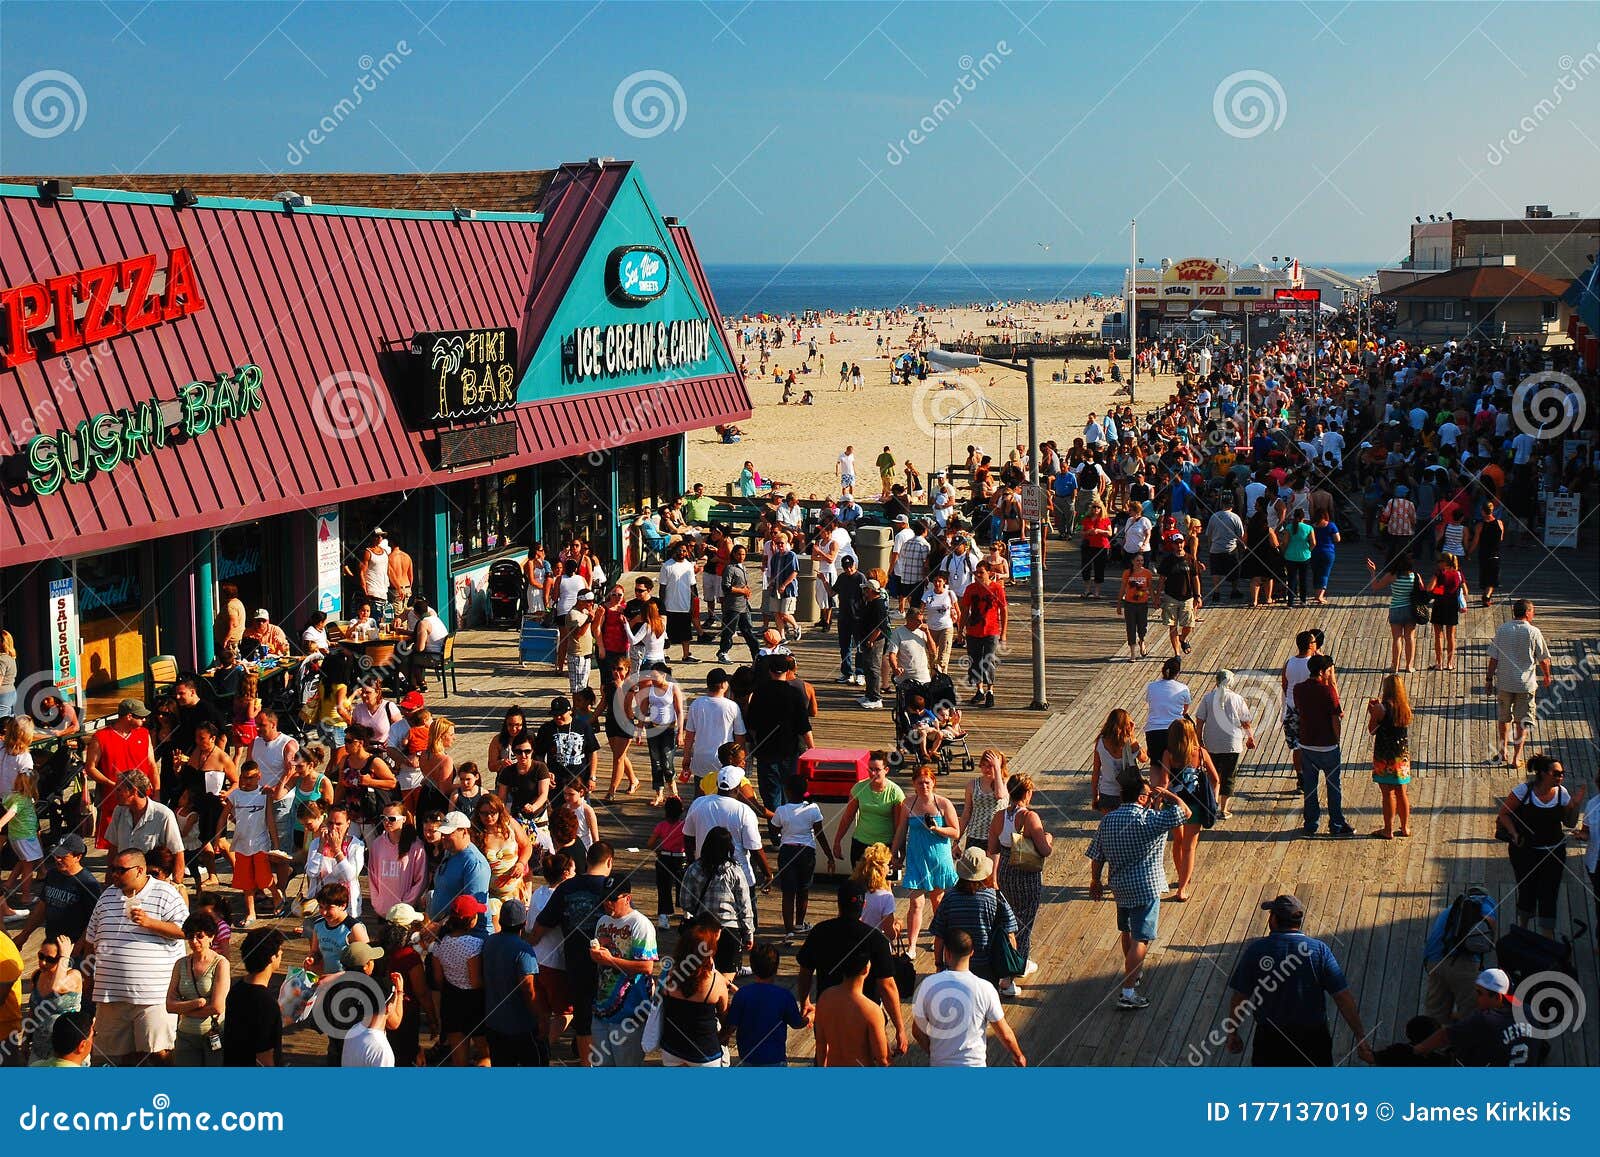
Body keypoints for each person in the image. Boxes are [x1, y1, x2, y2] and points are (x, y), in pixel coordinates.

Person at [1226, 894, 1375, 1066]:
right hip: (1313, 1039)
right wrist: (1360, 1035)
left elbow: (1240, 997)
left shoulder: (1255, 951)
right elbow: (1342, 996)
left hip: (1270, 1040)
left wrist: (1232, 1032)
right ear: (1297, 921)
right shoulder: (1319, 951)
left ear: (1273, 919)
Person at [1086, 777, 1189, 1010]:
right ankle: (1128, 991)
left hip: (1120, 886)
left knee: (1127, 931)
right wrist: (1168, 795)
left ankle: (1134, 972)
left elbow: (1097, 855)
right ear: (1142, 797)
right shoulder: (1150, 819)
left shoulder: (1108, 820)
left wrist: (1095, 881)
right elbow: (1186, 812)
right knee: (1141, 938)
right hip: (1146, 887)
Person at [84, 848, 189, 1065]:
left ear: (140, 870)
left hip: (153, 997)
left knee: (158, 1056)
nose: (114, 874)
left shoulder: (166, 893)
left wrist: (150, 923)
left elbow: (187, 931)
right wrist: (88, 981)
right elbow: (90, 940)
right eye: (113, 869)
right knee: (110, 1060)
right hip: (110, 996)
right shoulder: (106, 897)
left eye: (120, 870)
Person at [795, 881, 908, 1054]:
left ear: (838, 903)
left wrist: (805, 1001)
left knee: (826, 1055)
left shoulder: (820, 932)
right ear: (864, 905)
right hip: (864, 1015)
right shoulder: (876, 940)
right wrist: (900, 1029)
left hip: (828, 1012)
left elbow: (805, 972)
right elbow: (887, 987)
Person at [533, 840, 617, 1064]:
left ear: (587, 860)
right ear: (609, 861)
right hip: (610, 965)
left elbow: (542, 924)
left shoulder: (567, 888)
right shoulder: (613, 887)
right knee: (611, 1016)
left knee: (582, 1020)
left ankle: (586, 1064)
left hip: (576, 962)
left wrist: (527, 941)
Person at [913, 928, 1026, 1067]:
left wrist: (934, 1054)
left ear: (946, 953)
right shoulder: (985, 988)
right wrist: (1018, 1055)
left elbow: (917, 1032)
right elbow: (1005, 1034)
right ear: (972, 952)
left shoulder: (928, 985)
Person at [1496, 755, 1583, 937]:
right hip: (1525, 852)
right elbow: (1504, 813)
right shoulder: (1523, 792)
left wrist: (1574, 805)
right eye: (1557, 773)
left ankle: (1547, 935)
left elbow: (1569, 823)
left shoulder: (1562, 793)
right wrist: (1514, 833)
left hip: (1553, 852)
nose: (1561, 777)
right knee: (1526, 888)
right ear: (1543, 773)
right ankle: (1523, 928)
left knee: (1549, 892)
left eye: (1563, 773)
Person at [987, 772, 1050, 992]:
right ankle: (1010, 976)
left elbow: (992, 849)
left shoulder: (998, 817)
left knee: (1007, 919)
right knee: (1023, 923)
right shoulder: (1030, 817)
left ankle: (1019, 963)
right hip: (1025, 873)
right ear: (1028, 793)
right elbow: (1044, 850)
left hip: (1005, 869)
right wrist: (1048, 837)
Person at [589, 875, 658, 1066]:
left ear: (627, 898)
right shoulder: (602, 921)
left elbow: (646, 967)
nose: (607, 903)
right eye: (605, 898)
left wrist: (610, 960)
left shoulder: (640, 924)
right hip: (602, 1008)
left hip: (630, 1011)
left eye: (612, 898)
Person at [892, 763, 959, 952]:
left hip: (938, 858)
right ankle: (912, 946)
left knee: (938, 901)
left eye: (927, 782)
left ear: (934, 783)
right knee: (915, 902)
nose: (924, 786)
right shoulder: (908, 803)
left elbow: (955, 831)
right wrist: (895, 852)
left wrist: (937, 828)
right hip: (916, 859)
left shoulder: (943, 803)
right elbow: (900, 831)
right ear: (914, 784)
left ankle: (941, 939)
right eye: (920, 783)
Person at [1150, 719, 1220, 901]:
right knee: (1189, 847)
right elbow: (1216, 779)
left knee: (1178, 842)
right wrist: (1214, 799)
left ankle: (1182, 876)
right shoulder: (1201, 753)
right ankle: (1182, 887)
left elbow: (1164, 782)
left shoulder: (1169, 754)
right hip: (1196, 806)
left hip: (1174, 804)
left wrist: (1158, 801)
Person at [678, 827, 756, 975]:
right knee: (726, 979)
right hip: (729, 930)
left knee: (701, 975)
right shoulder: (735, 871)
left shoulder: (694, 868)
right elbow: (744, 906)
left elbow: (685, 901)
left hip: (703, 929)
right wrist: (748, 933)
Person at [1485, 599, 1552, 767]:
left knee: (1504, 718)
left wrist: (1488, 679)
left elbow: (1494, 657)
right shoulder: (1534, 632)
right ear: (1527, 613)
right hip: (1525, 685)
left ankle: (1503, 752)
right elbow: (1544, 659)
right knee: (1522, 722)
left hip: (1505, 683)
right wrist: (1547, 676)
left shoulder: (1502, 630)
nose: (1534, 614)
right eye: (1533, 611)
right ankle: (1516, 757)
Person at [657, 917, 732, 1066]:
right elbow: (725, 1018)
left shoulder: (669, 975)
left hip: (672, 1048)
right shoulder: (716, 981)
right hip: (704, 1053)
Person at [1421, 885, 1498, 1024]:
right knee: (1470, 1014)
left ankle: (1433, 1042)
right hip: (1463, 963)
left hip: (1434, 962)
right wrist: (1492, 942)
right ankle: (1465, 1045)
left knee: (1435, 1014)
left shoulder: (1450, 910)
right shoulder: (1484, 903)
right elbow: (1489, 920)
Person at [721, 942, 807, 1066]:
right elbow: (797, 1023)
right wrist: (810, 1017)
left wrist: (721, 1038)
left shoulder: (742, 994)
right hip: (775, 1059)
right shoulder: (784, 995)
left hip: (748, 1059)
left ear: (752, 967)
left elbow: (731, 1027)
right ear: (776, 967)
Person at [1295, 654, 1354, 837]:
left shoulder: (1299, 689)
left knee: (1310, 788)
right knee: (1333, 787)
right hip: (1327, 746)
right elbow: (1335, 718)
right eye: (1329, 670)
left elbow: (1300, 710)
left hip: (1307, 745)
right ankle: (1336, 823)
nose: (1330, 674)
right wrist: (1337, 740)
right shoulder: (1328, 691)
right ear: (1321, 672)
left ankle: (1311, 824)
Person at [771, 772, 835, 936]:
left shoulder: (781, 810)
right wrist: (829, 856)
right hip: (806, 852)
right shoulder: (813, 808)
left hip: (787, 851)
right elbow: (820, 834)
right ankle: (799, 924)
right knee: (803, 889)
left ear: (787, 791)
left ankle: (788, 930)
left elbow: (775, 829)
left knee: (788, 892)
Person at [165, 911, 230, 1066]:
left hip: (212, 1033)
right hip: (185, 1035)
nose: (194, 941)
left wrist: (183, 1009)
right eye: (190, 937)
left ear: (211, 936)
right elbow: (169, 1005)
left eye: (199, 936)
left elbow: (217, 1007)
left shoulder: (220, 963)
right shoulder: (180, 964)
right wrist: (197, 1003)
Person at [105, 769, 186, 887]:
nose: (114, 793)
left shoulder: (163, 815)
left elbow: (177, 853)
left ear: (133, 791)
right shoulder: (119, 811)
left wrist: (177, 885)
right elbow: (113, 849)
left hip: (153, 885)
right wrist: (109, 882)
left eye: (119, 790)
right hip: (124, 883)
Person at [813, 947, 888, 1067]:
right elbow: (882, 1058)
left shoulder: (825, 998)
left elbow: (821, 1044)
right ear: (866, 969)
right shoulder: (871, 1011)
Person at [1194, 670, 1254, 820]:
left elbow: (1200, 722)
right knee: (1228, 776)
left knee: (1213, 775)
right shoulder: (1237, 698)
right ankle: (1224, 809)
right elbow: (1245, 721)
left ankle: (1211, 805)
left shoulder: (1208, 698)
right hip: (1232, 743)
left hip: (1211, 743)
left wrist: (1199, 740)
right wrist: (1250, 737)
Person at [222, 927, 284, 1066]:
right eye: (279, 950)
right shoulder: (266, 1002)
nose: (282, 952)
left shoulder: (237, 989)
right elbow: (264, 1056)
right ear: (272, 957)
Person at [833, 750, 906, 866]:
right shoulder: (858, 788)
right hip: (861, 843)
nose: (873, 773)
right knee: (859, 882)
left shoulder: (895, 792)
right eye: (870, 769)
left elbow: (899, 826)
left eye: (877, 770)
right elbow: (847, 817)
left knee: (882, 883)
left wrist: (900, 850)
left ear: (886, 770)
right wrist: (837, 841)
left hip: (885, 847)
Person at [428, 809, 491, 933]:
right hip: (444, 931)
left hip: (466, 936)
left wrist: (440, 926)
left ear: (464, 832)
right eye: (443, 833)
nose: (444, 837)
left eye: (448, 833)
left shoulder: (474, 863)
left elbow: (470, 909)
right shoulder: (449, 851)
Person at [1367, 673, 1414, 839]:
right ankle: (1405, 827)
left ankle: (1388, 829)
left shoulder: (1381, 708)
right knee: (1402, 792)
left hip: (1384, 756)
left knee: (1387, 793)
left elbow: (1372, 730)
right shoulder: (1405, 708)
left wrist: (1371, 712)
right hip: (1401, 756)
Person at [1365, 550, 1423, 673]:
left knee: (1397, 638)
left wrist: (1373, 572)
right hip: (1410, 609)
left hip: (1396, 608)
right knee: (1410, 637)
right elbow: (1422, 591)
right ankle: (1409, 666)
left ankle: (1394, 666)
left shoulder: (1392, 575)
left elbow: (1375, 587)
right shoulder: (1415, 576)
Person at [960, 561, 1008, 709]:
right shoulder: (970, 589)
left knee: (988, 661)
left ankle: (990, 691)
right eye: (977, 572)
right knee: (974, 661)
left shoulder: (996, 588)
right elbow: (965, 611)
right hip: (973, 630)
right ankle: (979, 689)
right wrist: (960, 630)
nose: (978, 575)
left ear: (990, 573)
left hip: (991, 630)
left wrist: (1004, 633)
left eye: (982, 572)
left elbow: (1004, 610)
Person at [1143, 656, 1190, 767]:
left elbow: (1150, 701)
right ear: (1177, 672)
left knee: (1156, 765)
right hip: (1175, 731)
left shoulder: (1151, 686)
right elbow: (1185, 710)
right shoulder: (1183, 688)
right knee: (1176, 766)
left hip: (1153, 730)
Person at [1117, 553, 1155, 660]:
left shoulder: (1147, 573)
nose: (1140, 563)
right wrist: (1119, 604)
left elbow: (1150, 588)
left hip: (1143, 604)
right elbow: (1122, 588)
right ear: (1132, 561)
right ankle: (1132, 653)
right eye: (1137, 560)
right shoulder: (1127, 573)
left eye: (1142, 561)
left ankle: (1142, 641)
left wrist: (1155, 600)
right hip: (1129, 604)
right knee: (1131, 627)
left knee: (1142, 627)